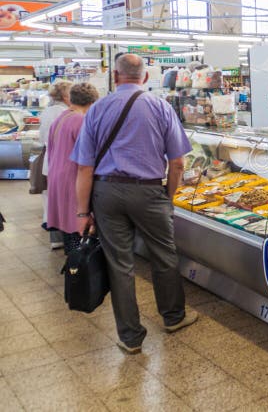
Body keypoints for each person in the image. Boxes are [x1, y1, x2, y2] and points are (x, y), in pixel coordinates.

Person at [72, 53, 197, 354]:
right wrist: (167, 198)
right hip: (150, 191)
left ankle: (130, 337)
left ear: (116, 77)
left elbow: (84, 168)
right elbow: (177, 162)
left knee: (120, 265)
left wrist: (81, 212)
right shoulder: (160, 106)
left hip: (107, 193)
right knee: (164, 257)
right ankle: (173, 317)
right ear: (144, 78)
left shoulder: (97, 109)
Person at [46, 83, 99, 255]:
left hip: (57, 177)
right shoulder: (81, 120)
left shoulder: (61, 118)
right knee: (78, 228)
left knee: (68, 230)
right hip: (73, 179)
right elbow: (88, 157)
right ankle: (80, 272)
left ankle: (73, 267)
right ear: (92, 102)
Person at [39, 80, 72, 246]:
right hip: (63, 163)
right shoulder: (65, 113)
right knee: (65, 203)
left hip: (50, 163)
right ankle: (65, 239)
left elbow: (41, 138)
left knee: (53, 201)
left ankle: (56, 239)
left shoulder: (47, 111)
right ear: (66, 96)